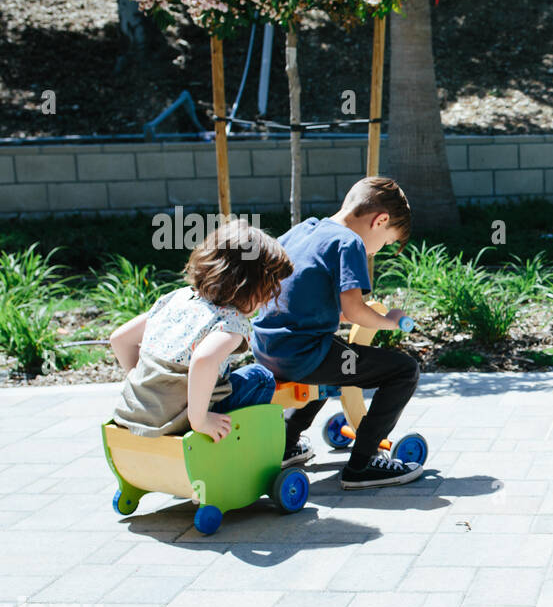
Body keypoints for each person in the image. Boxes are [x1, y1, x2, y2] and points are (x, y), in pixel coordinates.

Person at [252, 176, 422, 490]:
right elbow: (354, 310)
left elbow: (319, 301)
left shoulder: (303, 230)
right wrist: (393, 321)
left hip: (265, 346)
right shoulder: (350, 242)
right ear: (380, 220)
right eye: (383, 244)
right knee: (404, 371)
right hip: (303, 353)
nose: (375, 252)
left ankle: (286, 446)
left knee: (335, 359)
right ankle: (362, 465)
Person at [110, 220, 292, 440]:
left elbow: (119, 339)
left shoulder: (177, 298)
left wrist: (142, 386)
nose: (268, 299)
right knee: (260, 377)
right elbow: (204, 359)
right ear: (247, 285)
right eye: (268, 290)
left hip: (132, 415)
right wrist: (200, 420)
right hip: (176, 420)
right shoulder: (231, 322)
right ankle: (236, 443)